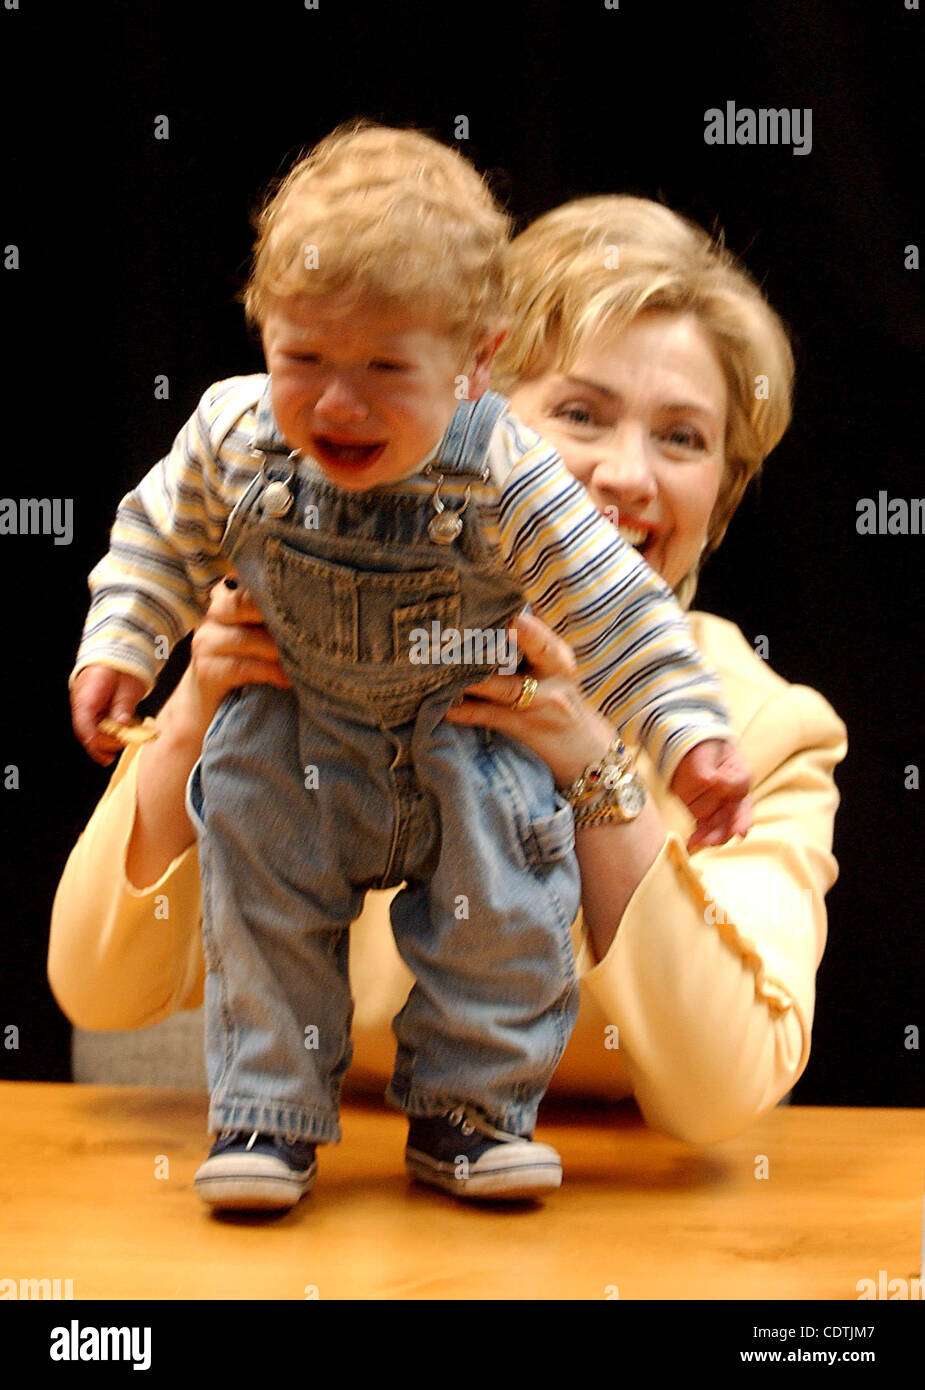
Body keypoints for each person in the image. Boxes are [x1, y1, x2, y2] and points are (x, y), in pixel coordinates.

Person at [50, 184, 846, 1197]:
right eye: (578, 412)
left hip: (590, 1237)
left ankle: (473, 1111)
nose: (623, 476)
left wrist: (594, 766)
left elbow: (719, 1091)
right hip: (321, 1214)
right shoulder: (302, 628)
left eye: (682, 438)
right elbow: (97, 986)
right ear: (466, 409)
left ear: (721, 492)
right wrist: (197, 708)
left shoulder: (762, 728)